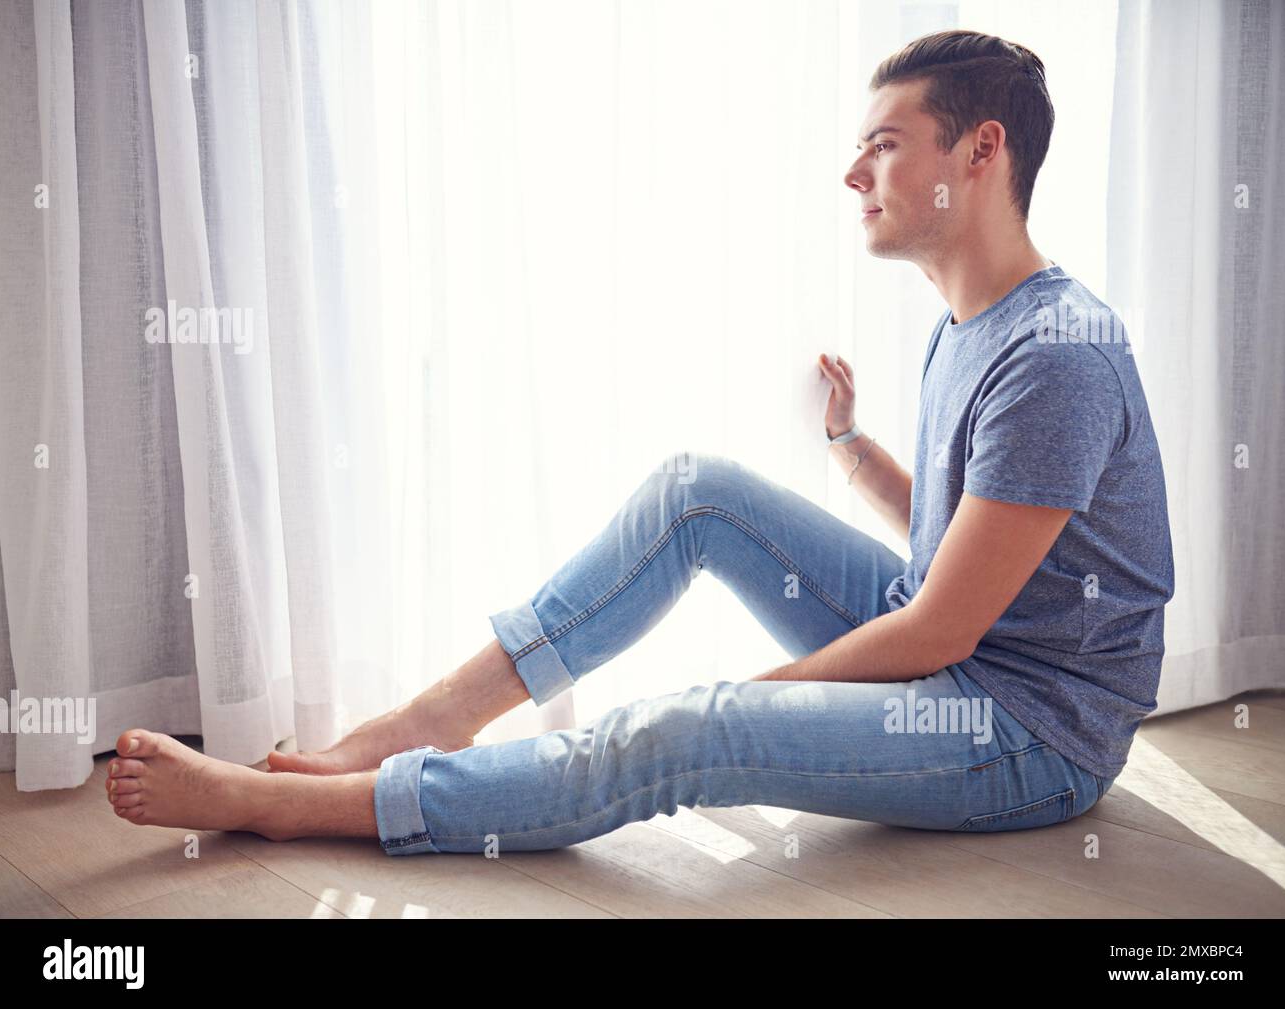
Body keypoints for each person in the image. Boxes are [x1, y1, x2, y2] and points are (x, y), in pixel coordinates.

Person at [104, 29, 1174, 853]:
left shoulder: (1054, 356)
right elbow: (969, 549)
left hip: (1025, 730)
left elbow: (944, 628)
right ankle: (432, 718)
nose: (855, 173)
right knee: (694, 490)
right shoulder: (971, 325)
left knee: (690, 730)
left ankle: (321, 810)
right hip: (962, 644)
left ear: (979, 151)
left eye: (884, 145)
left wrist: (762, 696)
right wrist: (850, 447)